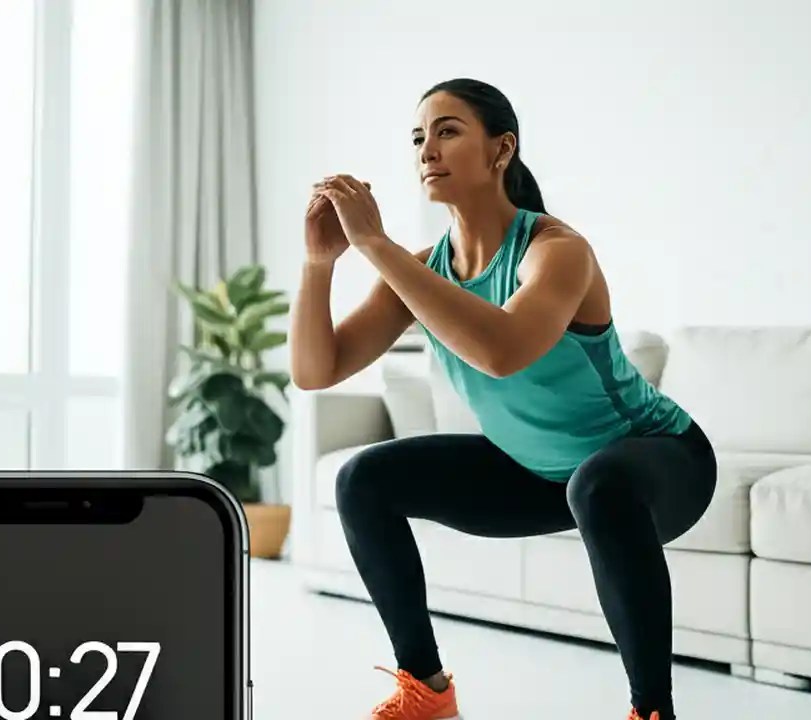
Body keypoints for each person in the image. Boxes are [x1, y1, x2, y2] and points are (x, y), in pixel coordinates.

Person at [290, 78, 717, 720]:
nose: (426, 150)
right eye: (417, 138)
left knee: (597, 485)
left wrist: (375, 246)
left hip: (657, 463)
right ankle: (427, 693)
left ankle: (652, 712)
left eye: (448, 130)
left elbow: (502, 349)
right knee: (362, 479)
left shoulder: (557, 250)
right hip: (541, 474)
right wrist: (320, 262)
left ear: (501, 150)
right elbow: (316, 370)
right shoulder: (424, 267)